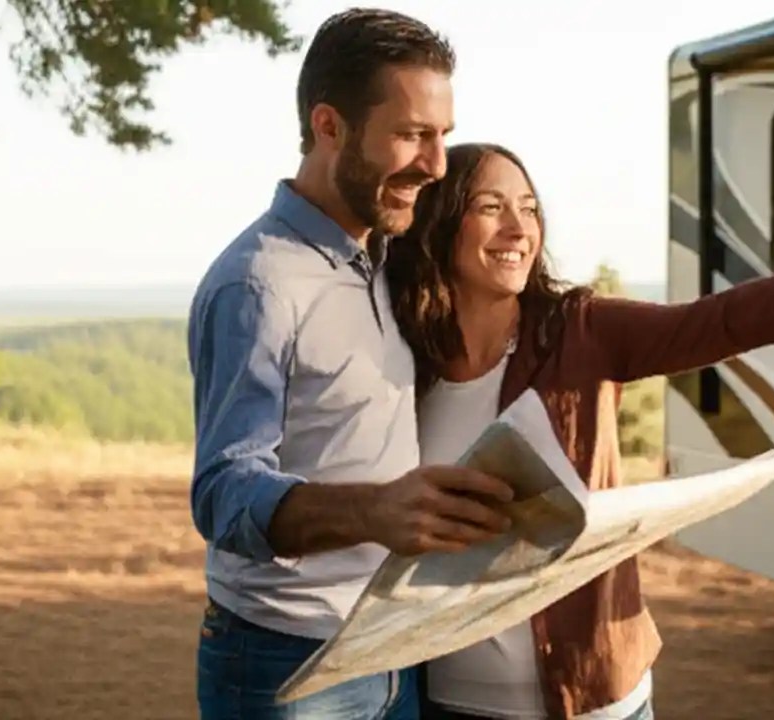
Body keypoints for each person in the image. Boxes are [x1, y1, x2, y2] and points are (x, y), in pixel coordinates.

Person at [384, 142, 774, 720]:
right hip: (450, 696)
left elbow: (726, 319)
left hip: (593, 699)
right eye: (491, 206)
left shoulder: (579, 332)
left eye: (528, 207)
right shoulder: (401, 359)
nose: (518, 227)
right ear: (442, 224)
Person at [187, 10, 520, 720]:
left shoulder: (386, 259)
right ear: (329, 126)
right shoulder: (259, 283)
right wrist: (375, 509)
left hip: (395, 644)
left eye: (442, 137)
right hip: (288, 663)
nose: (435, 165)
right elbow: (222, 492)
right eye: (410, 135)